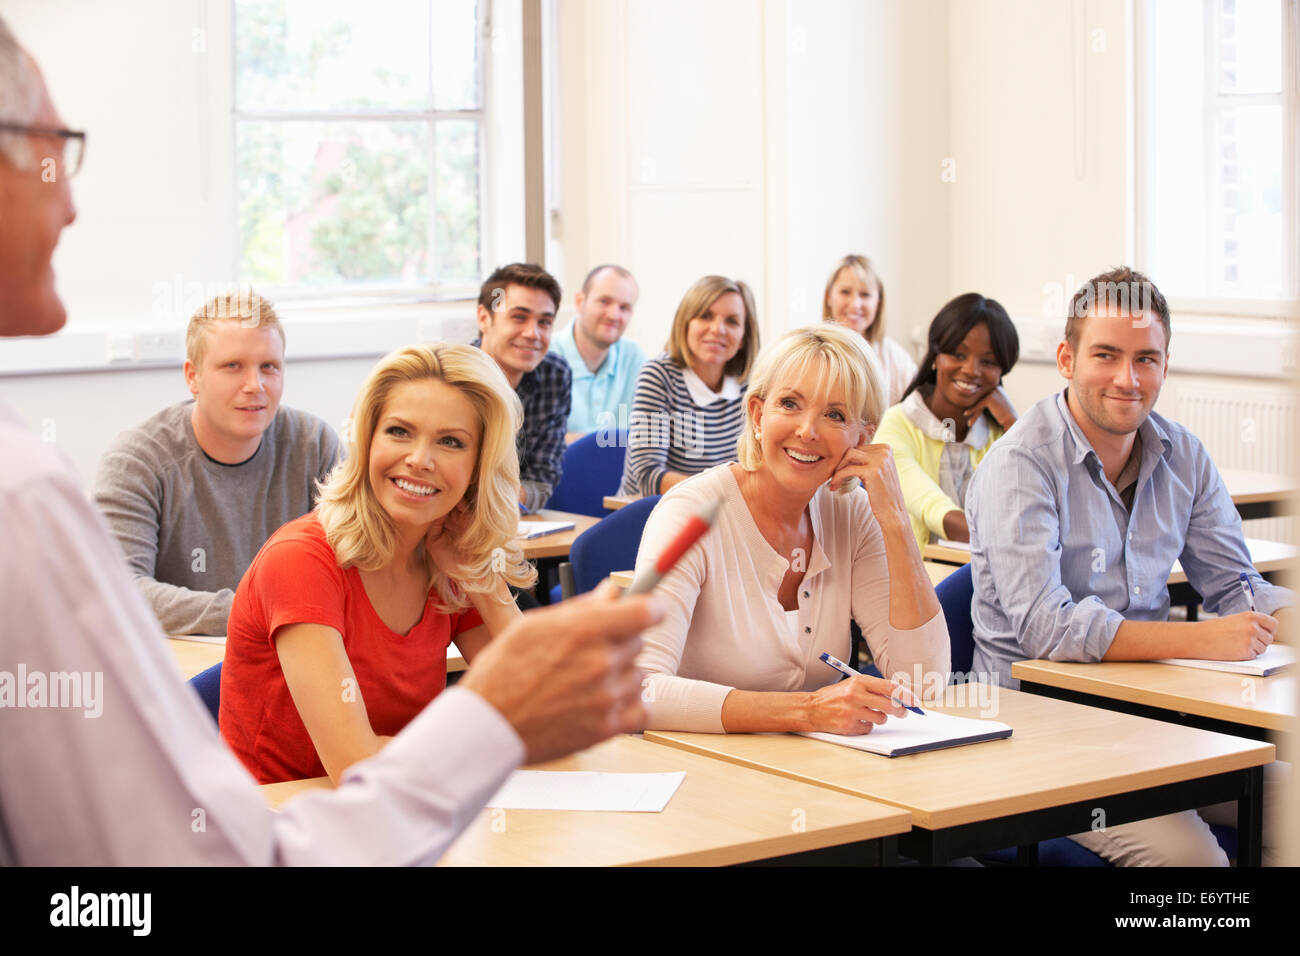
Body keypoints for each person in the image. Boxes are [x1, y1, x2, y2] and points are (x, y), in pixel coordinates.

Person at [0, 16, 658, 865]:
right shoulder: (34, 494)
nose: (73, 200)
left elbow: (528, 704)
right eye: (55, 149)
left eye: (454, 445)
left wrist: (488, 579)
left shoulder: (383, 506)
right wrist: (491, 721)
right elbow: (173, 856)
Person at [966, 266, 1295, 866]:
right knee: (1195, 864)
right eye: (1107, 355)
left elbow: (1236, 586)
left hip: (1149, 723)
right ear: (1066, 359)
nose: (1128, 378)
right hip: (1038, 733)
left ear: (1166, 366)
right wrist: (1201, 640)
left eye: (1146, 358)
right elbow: (1047, 628)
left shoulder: (1183, 454)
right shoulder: (1021, 465)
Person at [220, 344, 541, 784]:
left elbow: (545, 712)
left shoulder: (446, 560)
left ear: (479, 466)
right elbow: (357, 765)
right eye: (399, 432)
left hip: (400, 820)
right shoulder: (301, 560)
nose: (420, 459)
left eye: (451, 442)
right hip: (282, 833)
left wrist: (482, 578)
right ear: (367, 439)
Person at [636, 324, 949, 732]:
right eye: (789, 404)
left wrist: (896, 522)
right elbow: (640, 690)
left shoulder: (850, 512)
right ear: (757, 415)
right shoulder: (691, 513)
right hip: (703, 774)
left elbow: (924, 684)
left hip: (812, 774)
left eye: (835, 414)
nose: (808, 430)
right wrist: (808, 711)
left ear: (864, 437)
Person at [93, 292, 340, 635]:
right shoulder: (136, 461)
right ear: (192, 376)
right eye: (232, 366)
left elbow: (356, 566)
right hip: (182, 670)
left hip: (294, 654)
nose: (255, 386)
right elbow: (119, 591)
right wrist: (258, 610)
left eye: (269, 366)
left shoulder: (315, 445)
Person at [875, 292, 1020, 550]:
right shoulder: (896, 426)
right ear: (936, 357)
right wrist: (1016, 541)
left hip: (985, 578)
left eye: (988, 361)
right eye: (958, 355)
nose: (971, 370)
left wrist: (1011, 421)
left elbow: (1032, 505)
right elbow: (935, 511)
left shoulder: (1002, 434)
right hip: (920, 578)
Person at [618, 275, 760, 497]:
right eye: (705, 316)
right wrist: (729, 491)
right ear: (685, 323)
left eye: (731, 321)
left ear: (743, 337)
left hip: (718, 515)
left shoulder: (751, 385)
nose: (718, 329)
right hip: (650, 515)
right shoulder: (659, 375)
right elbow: (648, 477)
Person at [473, 262, 570, 512]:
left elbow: (542, 480)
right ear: (484, 318)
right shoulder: (450, 377)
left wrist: (495, 502)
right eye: (519, 317)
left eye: (544, 322)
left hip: (512, 521)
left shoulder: (554, 375)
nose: (533, 333)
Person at [550, 263, 645, 440]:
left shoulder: (633, 357)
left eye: (624, 307)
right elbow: (534, 441)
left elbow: (647, 436)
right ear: (579, 301)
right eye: (604, 301)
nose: (614, 315)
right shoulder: (545, 355)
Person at [822, 254, 917, 405]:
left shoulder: (895, 358)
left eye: (865, 294)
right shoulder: (811, 351)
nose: (855, 304)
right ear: (829, 297)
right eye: (845, 292)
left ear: (878, 303)